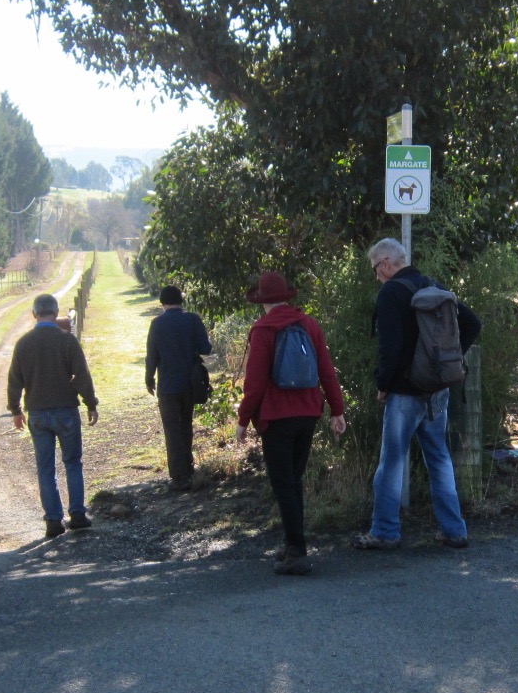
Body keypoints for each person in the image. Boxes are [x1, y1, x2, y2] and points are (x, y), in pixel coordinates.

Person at [358, 238, 481, 551]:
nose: (376, 276)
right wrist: (447, 362)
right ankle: (455, 531)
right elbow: (472, 323)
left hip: (404, 392)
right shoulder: (433, 286)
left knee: (391, 462)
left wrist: (383, 385)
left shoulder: (391, 293)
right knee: (439, 458)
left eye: (376, 269)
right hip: (437, 390)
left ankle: (385, 532)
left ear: (386, 263)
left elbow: (391, 348)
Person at [235, 270, 347, 576]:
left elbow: (255, 384)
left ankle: (297, 552)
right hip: (308, 413)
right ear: (287, 296)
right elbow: (327, 371)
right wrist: (338, 411)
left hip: (277, 417)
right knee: (293, 479)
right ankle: (293, 543)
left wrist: (243, 419)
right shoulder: (309, 324)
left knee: (283, 482)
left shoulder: (262, 330)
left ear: (263, 301)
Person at [7, 292, 100, 537]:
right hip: (66, 410)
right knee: (73, 463)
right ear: (56, 312)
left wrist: (16, 410)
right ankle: (78, 514)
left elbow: (14, 381)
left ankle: (53, 520)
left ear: (34, 314)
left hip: (37, 412)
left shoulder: (23, 343)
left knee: (45, 468)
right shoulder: (67, 341)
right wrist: (90, 403)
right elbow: (82, 376)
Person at [145, 284, 213, 492]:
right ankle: (189, 466)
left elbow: (152, 356)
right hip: (189, 384)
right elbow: (206, 349)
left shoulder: (157, 324)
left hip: (167, 385)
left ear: (162, 302)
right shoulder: (193, 319)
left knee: (171, 429)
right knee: (186, 425)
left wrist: (149, 379)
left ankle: (179, 476)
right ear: (181, 300)